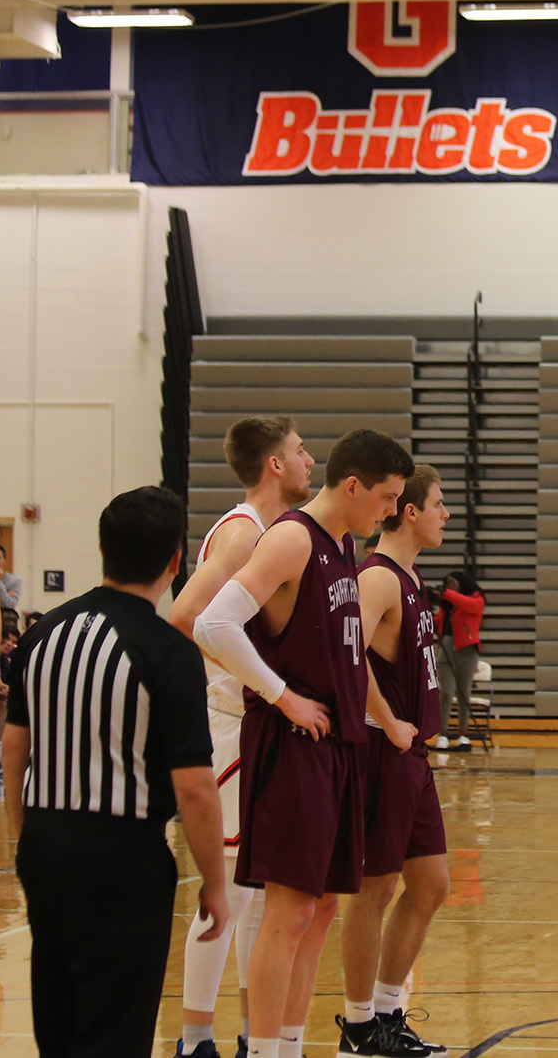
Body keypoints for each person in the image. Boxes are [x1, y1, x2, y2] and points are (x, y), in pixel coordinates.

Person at [193, 429, 413, 1058]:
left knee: (319, 913)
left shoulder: (345, 546)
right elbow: (213, 623)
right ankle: (262, 1051)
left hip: (337, 746)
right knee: (288, 915)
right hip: (295, 746)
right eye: (388, 497)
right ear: (352, 486)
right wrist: (280, 692)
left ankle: (289, 1044)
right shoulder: (292, 537)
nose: (392, 510)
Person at [2, 486, 231, 1057]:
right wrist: (215, 882)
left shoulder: (41, 634)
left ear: (102, 548)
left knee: (59, 1020)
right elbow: (195, 789)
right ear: (176, 560)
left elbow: (13, 749)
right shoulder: (167, 651)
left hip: (46, 846)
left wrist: (22, 838)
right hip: (122, 859)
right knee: (116, 1031)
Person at [170, 415, 316, 1058]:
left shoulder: (270, 531)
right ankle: (194, 1038)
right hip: (228, 724)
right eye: (300, 449)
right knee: (223, 890)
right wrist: (253, 684)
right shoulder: (244, 532)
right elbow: (185, 617)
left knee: (255, 893)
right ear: (275, 465)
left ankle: (244, 1035)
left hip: (248, 722)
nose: (310, 458)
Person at [339, 465, 452, 1058]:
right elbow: (343, 660)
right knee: (375, 888)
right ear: (409, 511)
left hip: (413, 755)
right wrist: (386, 720)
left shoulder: (411, 579)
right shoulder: (377, 578)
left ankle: (388, 1013)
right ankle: (359, 1026)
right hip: (383, 752)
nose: (446, 514)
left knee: (431, 885)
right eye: (439, 503)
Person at [432, 570, 484, 751]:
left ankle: (463, 734)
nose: (449, 586)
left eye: (453, 582)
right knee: (446, 692)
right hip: (446, 648)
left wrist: (446, 594)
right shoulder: (447, 604)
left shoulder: (476, 598)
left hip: (466, 650)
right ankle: (443, 734)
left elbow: (469, 605)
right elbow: (438, 621)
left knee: (464, 694)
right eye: (447, 583)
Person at [0, 543, 21, 613]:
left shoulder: (15, 580)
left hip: (4, 620)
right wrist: (6, 593)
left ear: (4, 560)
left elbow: (9, 605)